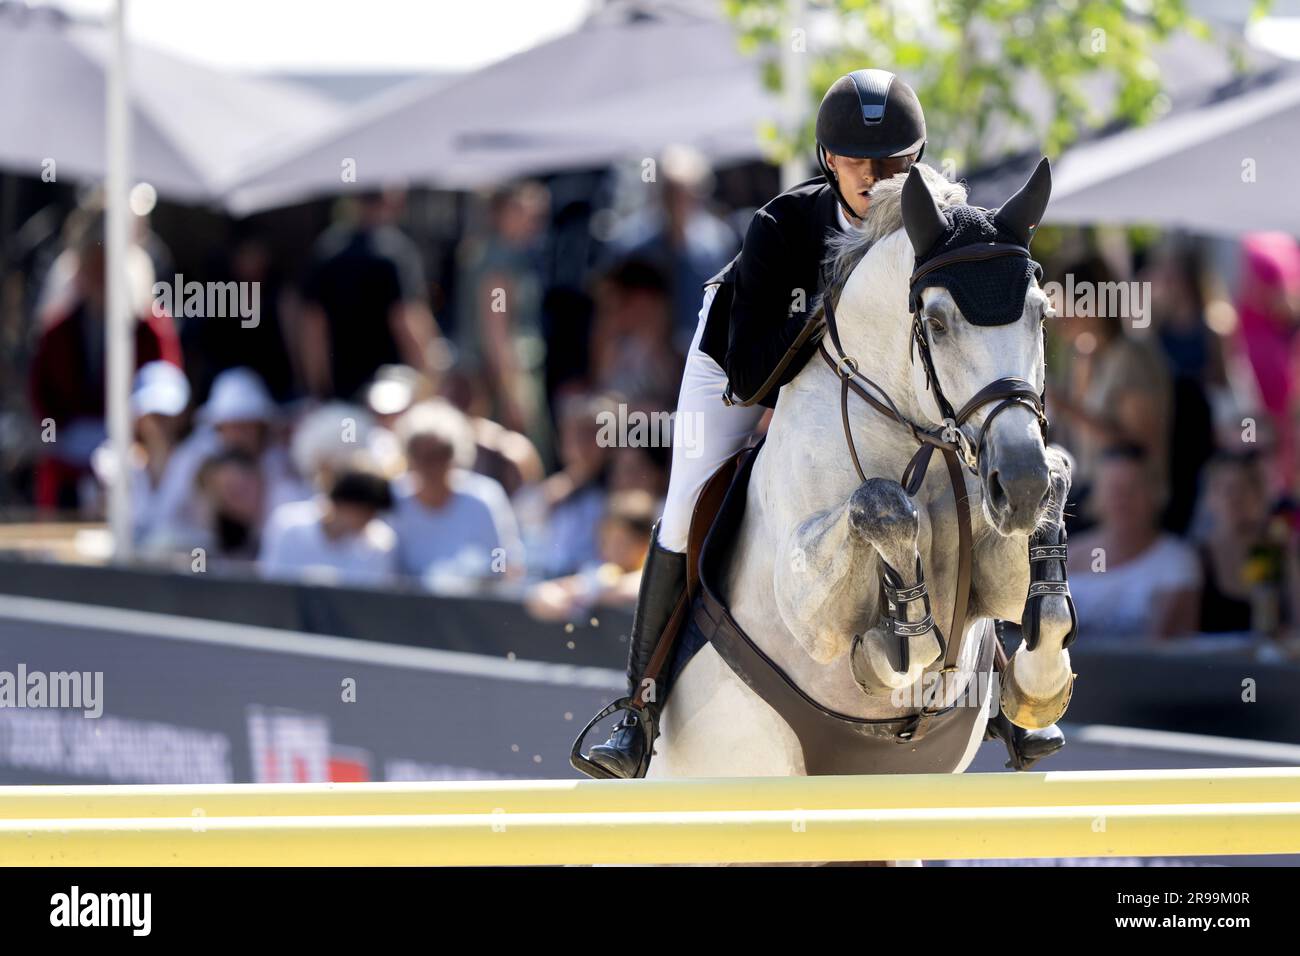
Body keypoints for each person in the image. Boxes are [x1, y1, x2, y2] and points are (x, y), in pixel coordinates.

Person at [577, 70, 1066, 778]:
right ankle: (640, 708)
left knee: (956, 492)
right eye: (856, 160)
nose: (875, 176)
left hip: (872, 392)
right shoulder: (784, 225)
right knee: (685, 504)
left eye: (896, 161)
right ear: (826, 158)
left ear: (919, 157)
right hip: (744, 365)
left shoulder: (940, 224)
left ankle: (992, 697)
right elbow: (751, 378)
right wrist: (835, 311)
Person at [28, 208, 181, 511]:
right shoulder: (59, 330)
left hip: (132, 449)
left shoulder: (149, 328)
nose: (98, 277)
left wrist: (138, 433)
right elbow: (41, 392)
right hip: (70, 449)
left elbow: (165, 392)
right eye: (91, 267)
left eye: (105, 267)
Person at [299, 189, 440, 402]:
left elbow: (313, 329)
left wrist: (318, 388)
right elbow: (405, 320)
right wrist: (430, 381)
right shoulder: (396, 251)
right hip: (392, 392)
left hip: (343, 392)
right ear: (391, 199)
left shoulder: (325, 249)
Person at [1067, 445, 1201, 639]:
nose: (1123, 499)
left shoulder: (1177, 560)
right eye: (1113, 488)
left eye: (1134, 489)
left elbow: (1162, 647)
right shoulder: (1068, 555)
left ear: (1156, 494)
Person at [388, 399, 523, 588]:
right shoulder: (393, 498)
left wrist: (488, 577)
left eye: (440, 454)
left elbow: (504, 561)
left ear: (455, 454)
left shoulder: (484, 497)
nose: (430, 464)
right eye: (421, 454)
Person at [258, 465, 397, 586]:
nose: (370, 518)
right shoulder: (288, 525)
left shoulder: (380, 543)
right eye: (366, 511)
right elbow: (271, 582)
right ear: (343, 504)